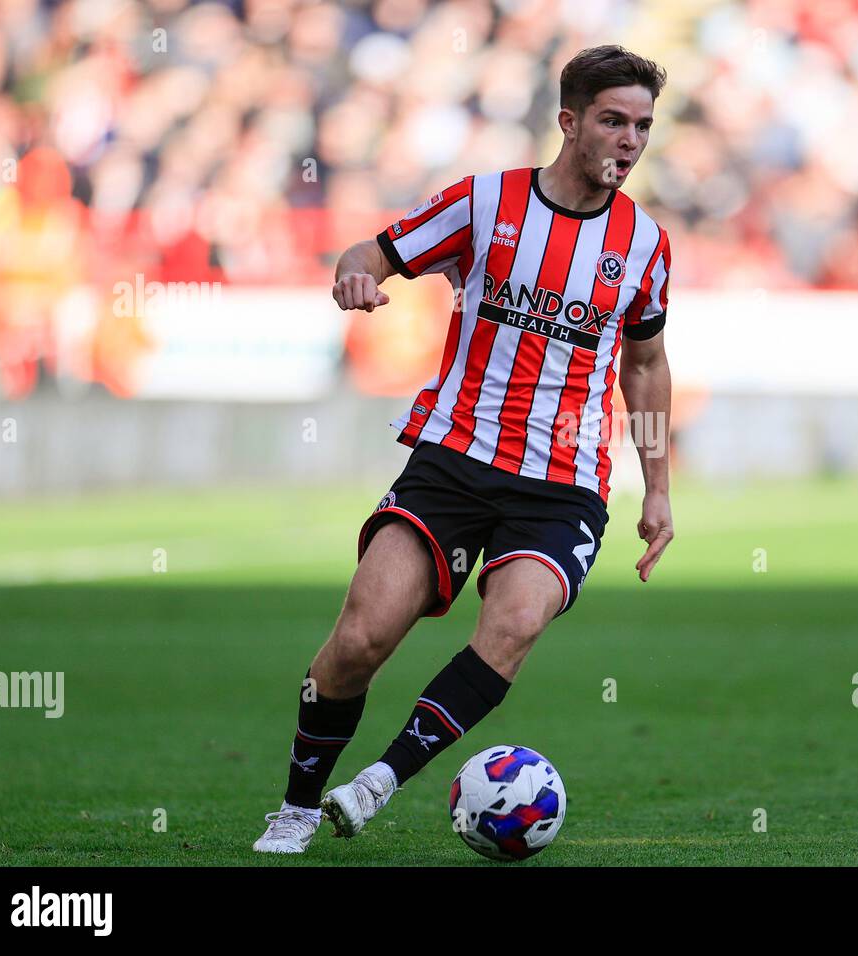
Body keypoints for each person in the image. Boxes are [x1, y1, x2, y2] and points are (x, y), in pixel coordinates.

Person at [254, 44, 675, 853]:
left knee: (514, 624)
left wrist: (657, 488)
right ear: (569, 122)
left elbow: (646, 362)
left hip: (562, 484)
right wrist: (353, 277)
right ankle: (299, 803)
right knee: (361, 639)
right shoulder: (482, 204)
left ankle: (378, 782)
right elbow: (371, 251)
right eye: (613, 121)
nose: (629, 140)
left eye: (643, 126)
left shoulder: (647, 246)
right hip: (453, 460)